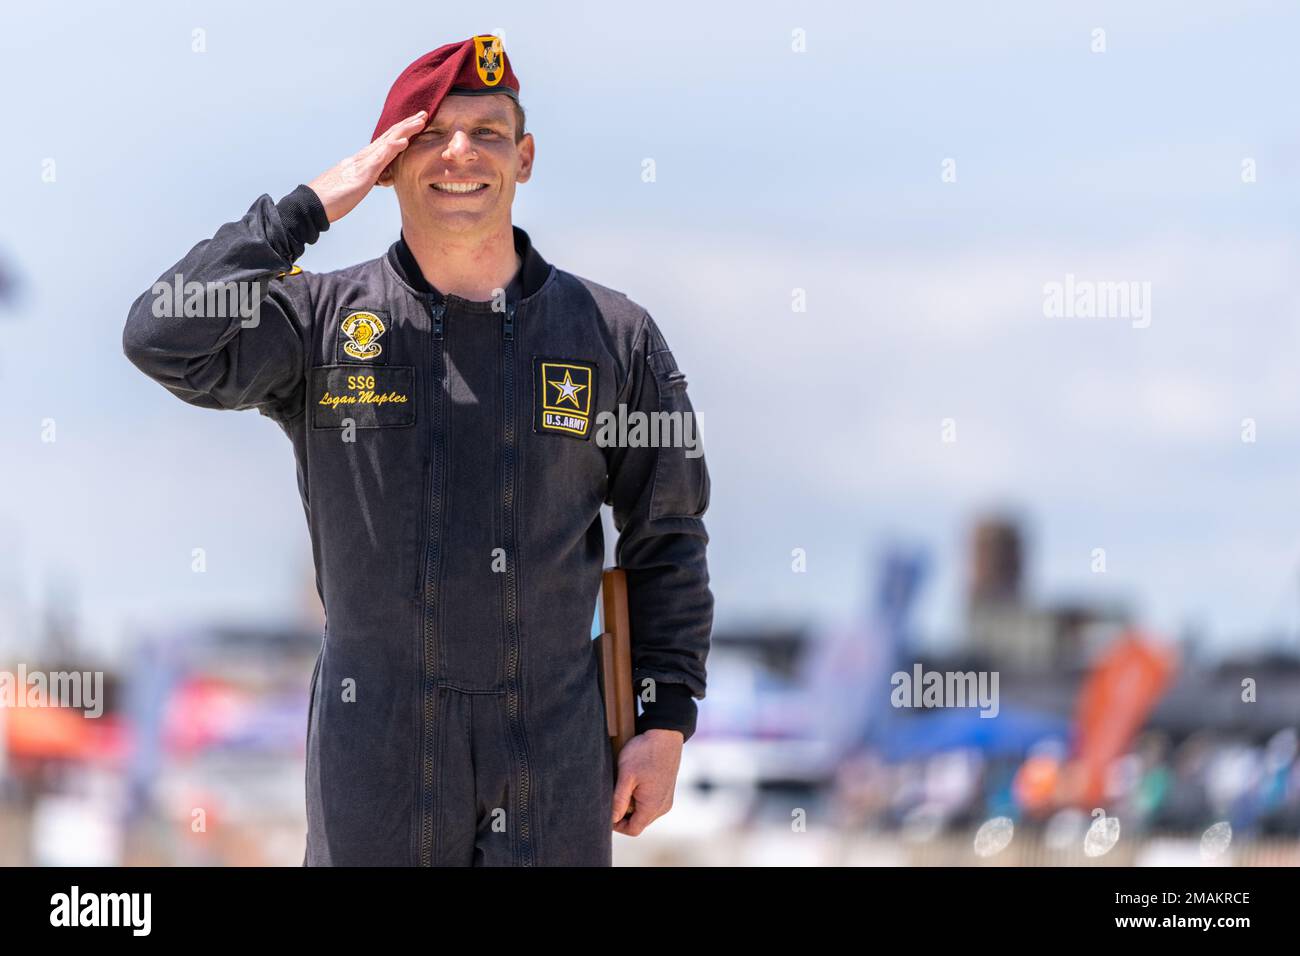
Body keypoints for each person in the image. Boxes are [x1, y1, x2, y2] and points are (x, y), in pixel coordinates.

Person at [122, 34, 714, 866]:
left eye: (487, 132)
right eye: (428, 135)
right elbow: (160, 337)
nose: (460, 154)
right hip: (376, 746)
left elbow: (669, 539)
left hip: (551, 742)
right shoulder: (320, 323)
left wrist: (663, 722)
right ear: (387, 165)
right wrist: (304, 211)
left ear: (526, 156)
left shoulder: (614, 336)